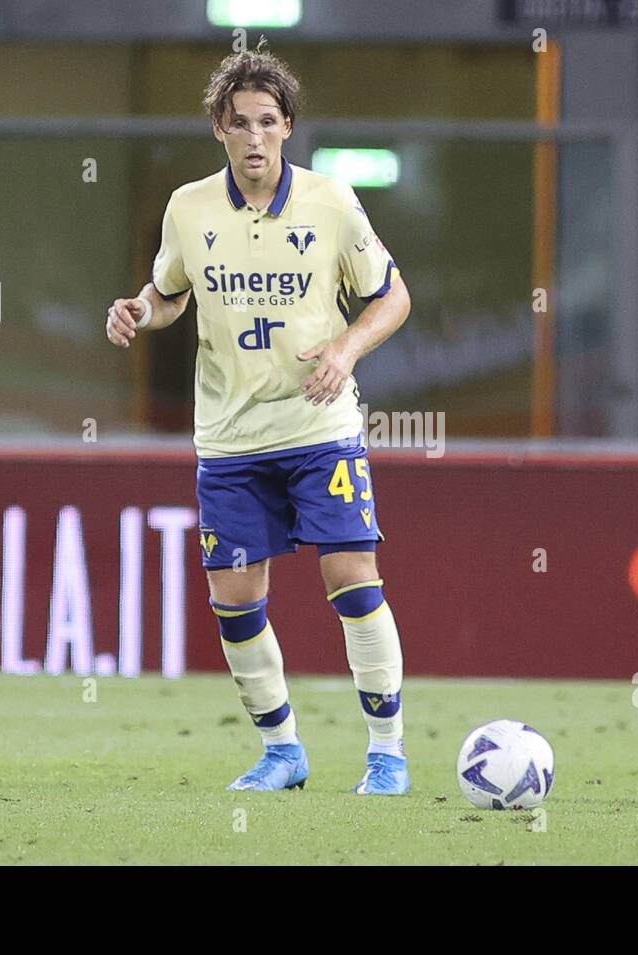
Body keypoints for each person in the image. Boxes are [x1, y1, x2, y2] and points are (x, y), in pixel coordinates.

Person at [104, 46, 413, 794]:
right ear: (218, 128)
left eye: (267, 123)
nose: (253, 137)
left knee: (352, 580)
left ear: (288, 128)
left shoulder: (332, 203)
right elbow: (171, 290)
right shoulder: (189, 207)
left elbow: (393, 295)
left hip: (319, 429)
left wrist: (346, 346)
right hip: (231, 440)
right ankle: (283, 751)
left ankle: (387, 753)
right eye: (238, 122)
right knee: (236, 598)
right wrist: (144, 310)